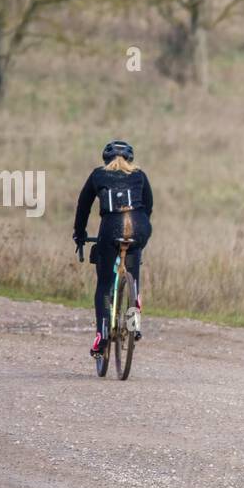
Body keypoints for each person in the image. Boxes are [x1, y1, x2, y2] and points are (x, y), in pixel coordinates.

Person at [73, 140, 153, 357]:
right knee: (133, 272)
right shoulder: (140, 175)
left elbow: (83, 207)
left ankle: (101, 334)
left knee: (105, 284)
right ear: (130, 159)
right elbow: (148, 206)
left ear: (105, 159)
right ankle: (133, 321)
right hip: (138, 227)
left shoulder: (98, 175)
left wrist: (79, 234)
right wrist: (139, 231)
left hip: (111, 227)